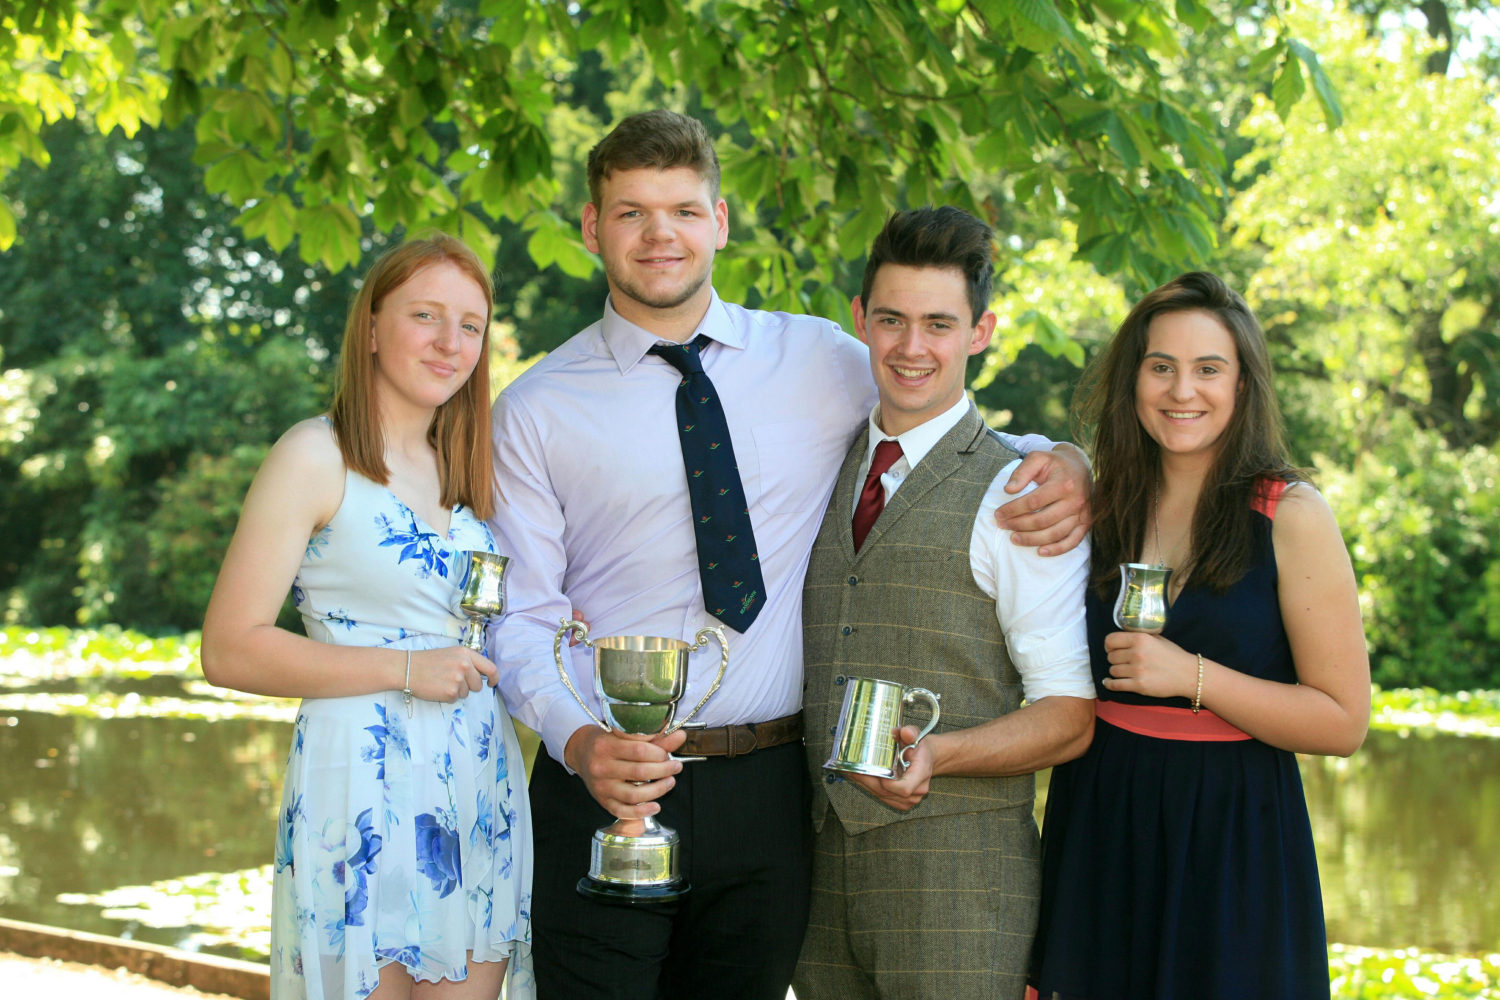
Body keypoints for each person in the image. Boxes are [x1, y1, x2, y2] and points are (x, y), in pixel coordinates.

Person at [486, 110, 1090, 1000]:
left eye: (683, 211)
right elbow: (519, 617)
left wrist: (1066, 459)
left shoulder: (819, 357)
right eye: (631, 213)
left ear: (720, 221)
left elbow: (935, 409)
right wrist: (579, 745)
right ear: (591, 226)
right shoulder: (535, 408)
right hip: (607, 783)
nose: (660, 235)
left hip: (773, 795)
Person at [201, 234, 533, 1000]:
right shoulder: (314, 456)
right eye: (426, 315)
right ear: (373, 328)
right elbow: (229, 648)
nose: (450, 342)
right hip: (361, 783)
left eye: (471, 325)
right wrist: (406, 669)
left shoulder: (473, 468)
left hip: (476, 784)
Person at [1027, 272, 1370, 1000]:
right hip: (1101, 823)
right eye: (1162, 367)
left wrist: (1193, 678)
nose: (1183, 390)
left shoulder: (1291, 514)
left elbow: (1343, 722)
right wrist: (1066, 452)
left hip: (1231, 835)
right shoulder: (1101, 504)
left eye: (1208, 369)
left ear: (1243, 383)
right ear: (1133, 379)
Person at [793, 207, 1097, 1000]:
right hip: (815, 880)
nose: (911, 347)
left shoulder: (1022, 494)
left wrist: (942, 755)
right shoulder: (816, 466)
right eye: (892, 319)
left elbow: (1070, 715)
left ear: (980, 332)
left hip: (961, 890)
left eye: (939, 324)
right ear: (860, 319)